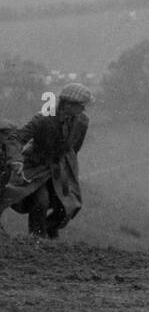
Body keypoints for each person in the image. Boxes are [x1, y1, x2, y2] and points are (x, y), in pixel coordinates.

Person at [0, 83, 92, 239]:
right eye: (81, 106)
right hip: (36, 166)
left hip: (59, 168)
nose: (84, 109)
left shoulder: (82, 121)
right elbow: (17, 137)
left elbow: (75, 146)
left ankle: (49, 228)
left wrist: (67, 167)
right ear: (68, 104)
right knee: (40, 201)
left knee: (70, 205)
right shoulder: (43, 118)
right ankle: (38, 238)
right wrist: (16, 160)